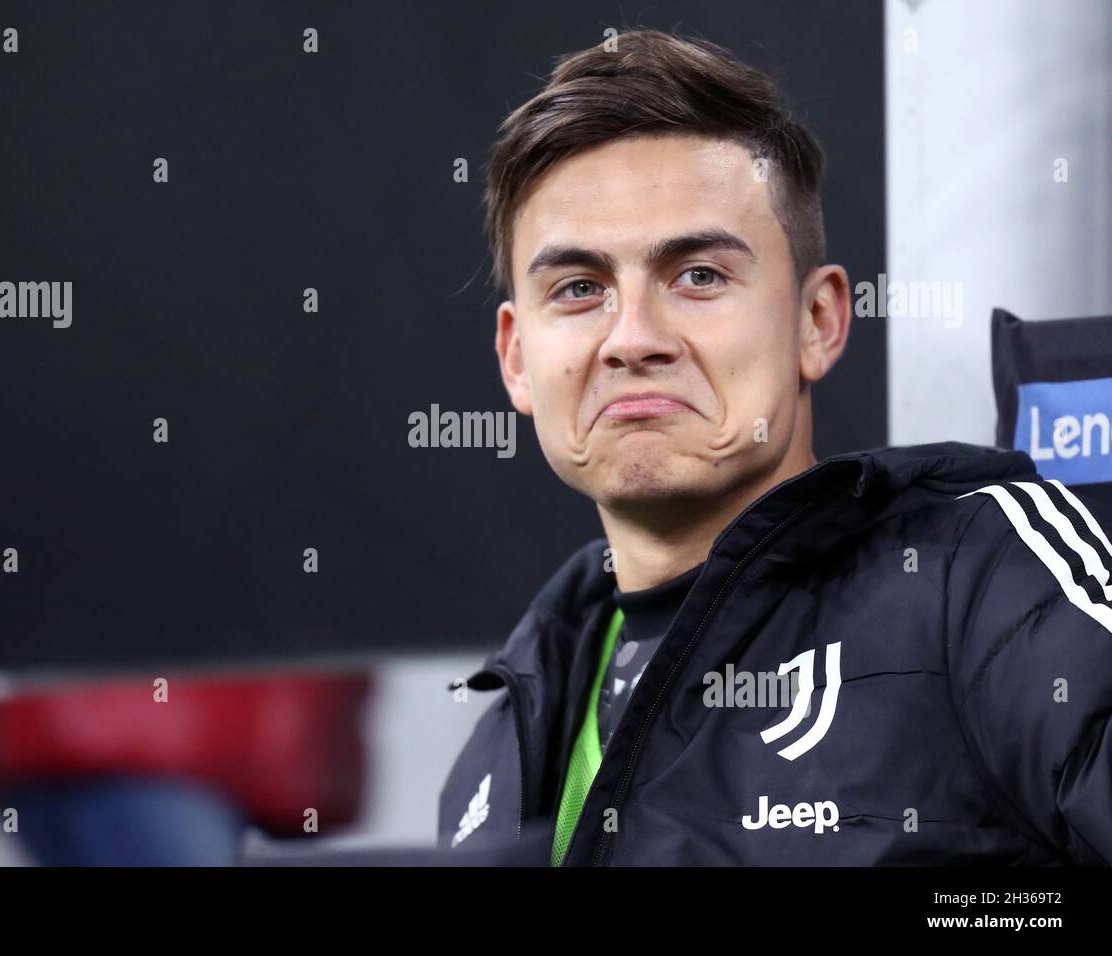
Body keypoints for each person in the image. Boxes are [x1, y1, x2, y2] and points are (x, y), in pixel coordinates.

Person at [437, 29, 1112, 866]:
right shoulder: (505, 728)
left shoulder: (977, 580)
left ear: (817, 321)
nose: (632, 338)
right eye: (579, 289)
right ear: (517, 359)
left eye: (699, 276)